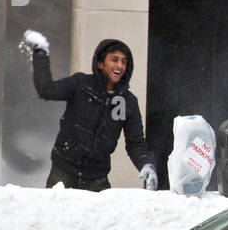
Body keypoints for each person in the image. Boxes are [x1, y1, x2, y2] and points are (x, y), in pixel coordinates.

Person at [21, 30, 157, 192]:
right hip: (63, 173)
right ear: (100, 63)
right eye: (114, 60)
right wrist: (40, 52)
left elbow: (136, 143)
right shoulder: (80, 85)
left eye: (123, 62)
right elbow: (47, 90)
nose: (119, 66)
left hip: (97, 180)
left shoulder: (128, 102)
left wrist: (147, 164)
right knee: (56, 217)